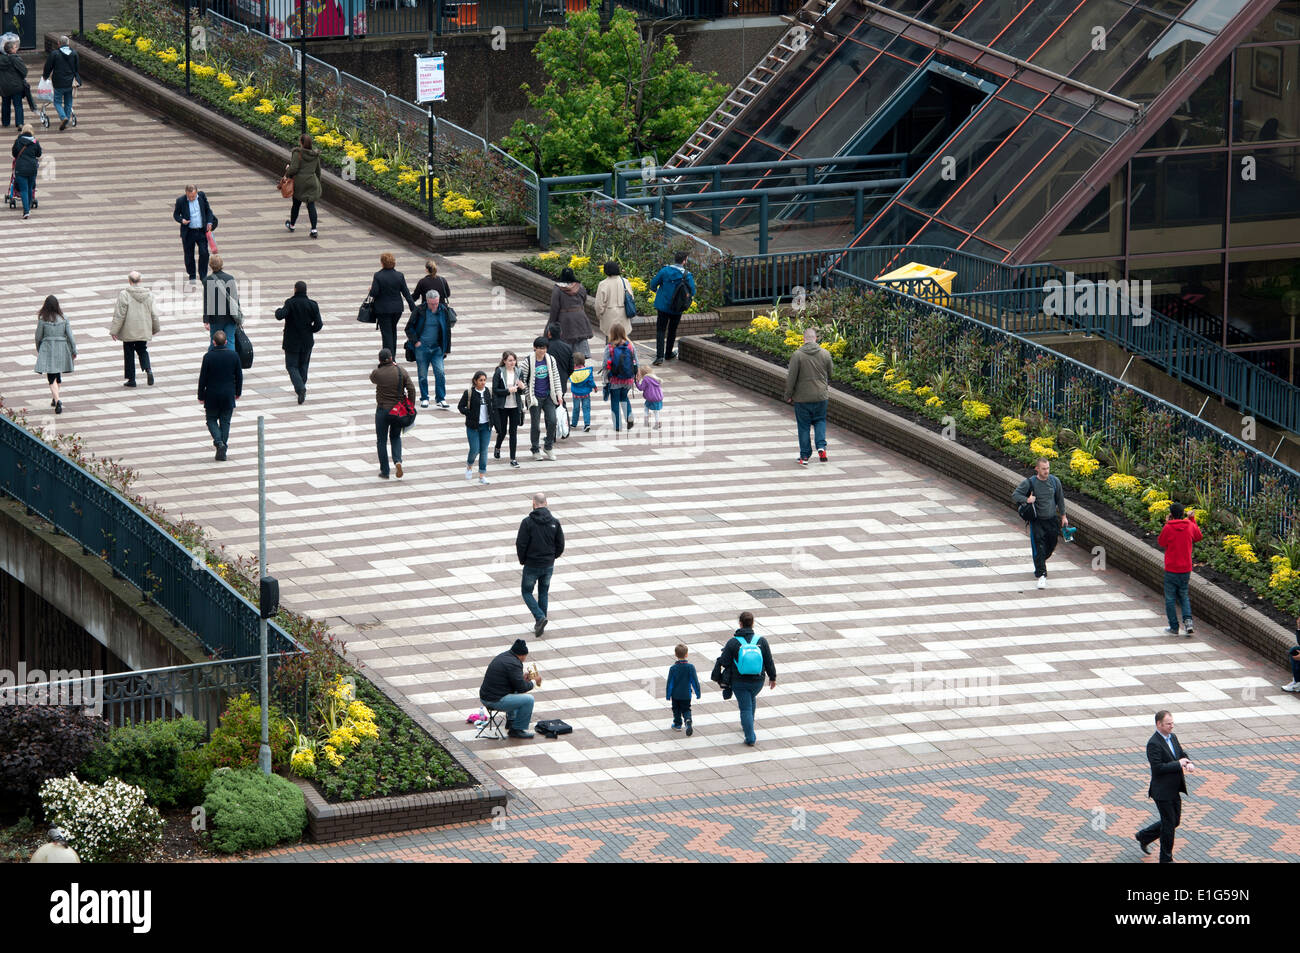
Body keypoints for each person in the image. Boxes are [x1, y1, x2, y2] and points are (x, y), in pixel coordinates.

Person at [1135, 709, 1194, 863]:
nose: (1171, 726)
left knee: (1175, 821)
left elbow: (1181, 753)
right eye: (1168, 724)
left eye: (1172, 723)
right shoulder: (1153, 743)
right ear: (1159, 724)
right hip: (1162, 792)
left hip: (1174, 789)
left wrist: (1187, 761)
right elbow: (1158, 768)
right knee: (1169, 825)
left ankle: (1144, 836)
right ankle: (1166, 859)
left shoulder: (1172, 737)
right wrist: (1177, 764)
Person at [712, 611, 776, 746]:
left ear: (740, 624)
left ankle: (750, 737)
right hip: (758, 681)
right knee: (751, 698)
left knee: (745, 708)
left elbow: (725, 661)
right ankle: (748, 725)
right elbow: (769, 661)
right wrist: (773, 677)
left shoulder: (733, 642)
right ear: (752, 623)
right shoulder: (761, 641)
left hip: (739, 681)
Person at [1012, 457, 1068, 589]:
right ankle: (1042, 574)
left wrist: (1064, 516)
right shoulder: (1030, 483)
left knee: (1051, 544)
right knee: (1039, 547)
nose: (1046, 471)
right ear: (1037, 469)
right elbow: (1015, 495)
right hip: (1037, 521)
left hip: (1052, 520)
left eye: (1048, 468)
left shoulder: (1054, 481)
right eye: (1043, 469)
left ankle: (1040, 560)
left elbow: (1060, 499)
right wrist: (1027, 499)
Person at [516, 491, 564, 637]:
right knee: (543, 592)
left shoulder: (527, 522)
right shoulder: (554, 522)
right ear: (546, 503)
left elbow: (521, 543)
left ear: (533, 503)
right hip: (548, 564)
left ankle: (539, 617)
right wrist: (552, 557)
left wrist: (523, 559)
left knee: (526, 592)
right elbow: (560, 544)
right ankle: (540, 622)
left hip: (532, 564)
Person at [784, 327, 833, 465]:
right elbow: (831, 373)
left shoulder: (797, 355)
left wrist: (788, 395)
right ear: (815, 339)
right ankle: (821, 447)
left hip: (802, 398)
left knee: (804, 426)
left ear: (804, 339)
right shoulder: (825, 354)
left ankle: (804, 456)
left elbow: (791, 378)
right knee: (820, 420)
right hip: (821, 396)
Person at [478, 638, 541, 739]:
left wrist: (522, 678)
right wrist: (534, 682)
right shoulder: (514, 664)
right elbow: (521, 688)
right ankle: (516, 730)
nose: (525, 659)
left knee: (515, 690)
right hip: (494, 700)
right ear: (522, 655)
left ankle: (511, 721)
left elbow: (513, 681)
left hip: (486, 696)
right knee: (529, 700)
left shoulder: (504, 656)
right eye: (525, 656)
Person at [1157, 502, 1202, 636]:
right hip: (1185, 568)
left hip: (1171, 568)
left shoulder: (1168, 528)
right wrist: (1192, 519)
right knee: (1184, 595)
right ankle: (1188, 622)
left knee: (1170, 598)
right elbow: (1198, 537)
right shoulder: (1189, 526)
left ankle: (1174, 627)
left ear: (1171, 514)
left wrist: (1167, 523)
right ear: (1182, 514)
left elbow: (1161, 542)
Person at [370, 348, 415, 480]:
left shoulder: (378, 373)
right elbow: (411, 388)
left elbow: (372, 378)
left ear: (380, 360)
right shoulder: (401, 370)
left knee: (381, 441)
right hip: (398, 411)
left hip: (383, 410)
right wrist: (410, 406)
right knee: (395, 437)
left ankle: (385, 471)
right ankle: (398, 461)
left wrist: (380, 366)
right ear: (391, 358)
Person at [197, 330, 242, 461]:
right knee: (225, 422)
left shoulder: (208, 357)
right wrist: (238, 392)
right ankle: (223, 447)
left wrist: (200, 395)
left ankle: (219, 443)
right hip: (228, 394)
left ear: (213, 342)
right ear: (226, 342)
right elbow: (239, 376)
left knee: (211, 420)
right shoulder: (234, 356)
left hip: (212, 394)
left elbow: (202, 378)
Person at [274, 280, 322, 404]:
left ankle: (300, 388)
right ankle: (301, 386)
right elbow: (319, 324)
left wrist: (278, 310)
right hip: (306, 341)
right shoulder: (313, 305)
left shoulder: (290, 303)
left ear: (295, 289)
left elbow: (280, 315)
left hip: (292, 341)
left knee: (291, 366)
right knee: (303, 365)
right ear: (306, 290)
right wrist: (310, 330)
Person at [110, 271, 159, 388]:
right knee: (142, 349)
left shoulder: (124, 294)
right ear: (140, 280)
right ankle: (148, 370)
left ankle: (131, 379)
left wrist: (114, 330)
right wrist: (155, 328)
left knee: (129, 353)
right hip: (143, 328)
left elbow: (120, 314)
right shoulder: (149, 295)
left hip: (128, 329)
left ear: (129, 281)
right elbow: (154, 314)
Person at [406, 289, 452, 409]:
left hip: (437, 349)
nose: (434, 306)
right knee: (422, 374)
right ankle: (425, 398)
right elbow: (409, 327)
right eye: (432, 303)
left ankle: (441, 398)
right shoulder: (419, 310)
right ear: (427, 301)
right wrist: (416, 342)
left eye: (436, 303)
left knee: (440, 373)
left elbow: (447, 331)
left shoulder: (443, 310)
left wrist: (447, 348)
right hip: (422, 348)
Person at [518, 337, 562, 462]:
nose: (542, 351)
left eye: (544, 348)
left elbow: (556, 377)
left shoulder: (550, 360)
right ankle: (535, 449)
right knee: (535, 426)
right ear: (534, 348)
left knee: (553, 420)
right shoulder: (528, 362)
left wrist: (559, 394)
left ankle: (548, 446)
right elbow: (523, 380)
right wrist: (528, 395)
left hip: (548, 396)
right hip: (534, 397)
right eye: (540, 348)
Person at [649, 250, 695, 365]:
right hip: (677, 307)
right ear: (684, 261)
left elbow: (653, 284)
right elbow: (692, 291)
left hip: (663, 306)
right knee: (672, 330)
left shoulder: (665, 271)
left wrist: (659, 291)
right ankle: (669, 353)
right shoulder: (687, 275)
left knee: (660, 330)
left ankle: (659, 356)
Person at [368, 253, 416, 358]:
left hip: (383, 309)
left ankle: (389, 358)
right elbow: (406, 292)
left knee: (387, 334)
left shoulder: (378, 276)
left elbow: (374, 293)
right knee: (392, 330)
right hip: (397, 309)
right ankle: (392, 355)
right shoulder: (399, 275)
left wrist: (370, 290)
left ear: (382, 263)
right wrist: (413, 307)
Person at [34, 295, 75, 415]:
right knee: (58, 374)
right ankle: (55, 397)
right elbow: (70, 336)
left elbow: (38, 337)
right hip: (61, 348)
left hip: (48, 347)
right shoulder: (64, 318)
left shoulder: (42, 319)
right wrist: (74, 350)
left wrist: (39, 348)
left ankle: (57, 400)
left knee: (51, 377)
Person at [458, 370, 499, 485]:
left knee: (484, 450)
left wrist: (495, 423)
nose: (483, 382)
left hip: (486, 426)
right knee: (475, 449)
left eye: (485, 380)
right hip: (473, 427)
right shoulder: (469, 393)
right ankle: (469, 466)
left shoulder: (488, 393)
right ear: (475, 381)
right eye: (481, 380)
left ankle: (482, 475)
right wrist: (469, 413)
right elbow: (460, 406)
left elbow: (494, 408)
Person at [172, 185, 218, 282]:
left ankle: (203, 275)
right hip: (189, 232)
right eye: (189, 197)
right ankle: (192, 274)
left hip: (201, 231)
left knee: (204, 253)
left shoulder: (202, 196)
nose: (192, 198)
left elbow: (208, 210)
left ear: (196, 192)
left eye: (193, 196)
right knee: (189, 254)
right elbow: (176, 215)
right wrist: (182, 220)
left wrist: (209, 222)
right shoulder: (181, 201)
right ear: (186, 193)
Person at [283, 132, 322, 238]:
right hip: (312, 182)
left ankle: (292, 225)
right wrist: (318, 182)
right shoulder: (315, 155)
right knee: (311, 205)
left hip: (300, 183)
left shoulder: (297, 153)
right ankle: (314, 230)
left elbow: (294, 168)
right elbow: (318, 171)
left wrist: (287, 172)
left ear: (301, 142)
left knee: (296, 204)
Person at [548, 267, 592, 358]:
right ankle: (580, 363)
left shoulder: (558, 289)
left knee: (566, 342)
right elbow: (584, 300)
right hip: (580, 317)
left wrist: (552, 322)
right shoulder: (580, 287)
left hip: (565, 319)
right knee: (580, 341)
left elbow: (554, 307)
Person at [492, 351, 525, 468]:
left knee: (513, 432)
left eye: (514, 360)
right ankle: (497, 447)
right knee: (502, 431)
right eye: (510, 360)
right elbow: (495, 390)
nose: (512, 363)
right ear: (504, 361)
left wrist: (522, 387)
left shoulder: (518, 372)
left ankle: (513, 458)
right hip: (502, 406)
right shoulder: (499, 372)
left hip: (515, 406)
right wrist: (507, 391)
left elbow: (521, 391)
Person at [603, 323, 638, 432]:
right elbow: (636, 361)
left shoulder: (610, 347)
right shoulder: (630, 346)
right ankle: (629, 416)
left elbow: (605, 364)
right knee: (624, 397)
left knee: (615, 401)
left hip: (614, 379)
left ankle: (617, 426)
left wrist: (605, 377)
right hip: (628, 379)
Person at [202, 255, 241, 352]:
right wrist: (238, 315)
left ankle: (212, 360)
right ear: (222, 264)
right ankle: (231, 362)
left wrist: (206, 320)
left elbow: (207, 302)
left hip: (215, 318)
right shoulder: (230, 278)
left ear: (210, 265)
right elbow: (235, 299)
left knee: (214, 341)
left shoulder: (207, 280)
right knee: (230, 341)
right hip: (230, 316)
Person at [41, 36, 80, 131]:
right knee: (68, 101)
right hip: (70, 82)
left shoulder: (55, 54)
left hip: (58, 82)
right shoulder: (74, 53)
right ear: (68, 43)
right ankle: (66, 118)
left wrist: (45, 76)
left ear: (59, 43)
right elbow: (76, 68)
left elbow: (48, 67)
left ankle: (63, 118)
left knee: (57, 101)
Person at [666, 643, 700, 736]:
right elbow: (694, 681)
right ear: (687, 654)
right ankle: (688, 720)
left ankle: (677, 724)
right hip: (686, 694)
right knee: (686, 709)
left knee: (676, 709)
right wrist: (698, 692)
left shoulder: (673, 668)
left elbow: (670, 683)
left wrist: (668, 694)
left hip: (676, 695)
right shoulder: (690, 667)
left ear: (676, 655)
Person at [594, 260, 632, 340]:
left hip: (609, 315)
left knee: (610, 341)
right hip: (623, 315)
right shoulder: (625, 282)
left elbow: (599, 305)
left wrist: (599, 315)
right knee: (624, 339)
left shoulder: (603, 284)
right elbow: (631, 297)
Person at [10, 123, 39, 220]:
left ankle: (26, 211)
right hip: (32, 168)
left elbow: (14, 153)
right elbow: (39, 153)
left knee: (23, 190)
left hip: (20, 169)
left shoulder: (18, 141)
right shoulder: (35, 141)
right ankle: (28, 207)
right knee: (30, 188)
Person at [0, 39, 26, 129]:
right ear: (11, 50)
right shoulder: (16, 59)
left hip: (4, 86)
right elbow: (24, 71)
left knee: (5, 104)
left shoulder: (1, 60)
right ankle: (19, 123)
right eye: (15, 47)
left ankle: (5, 122)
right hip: (16, 86)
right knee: (18, 105)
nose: (16, 48)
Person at [568, 353, 596, 433]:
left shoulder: (572, 372)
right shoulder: (587, 371)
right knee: (586, 408)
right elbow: (591, 381)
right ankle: (587, 424)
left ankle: (574, 423)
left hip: (576, 393)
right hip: (586, 393)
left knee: (576, 408)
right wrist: (594, 387)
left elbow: (571, 380)